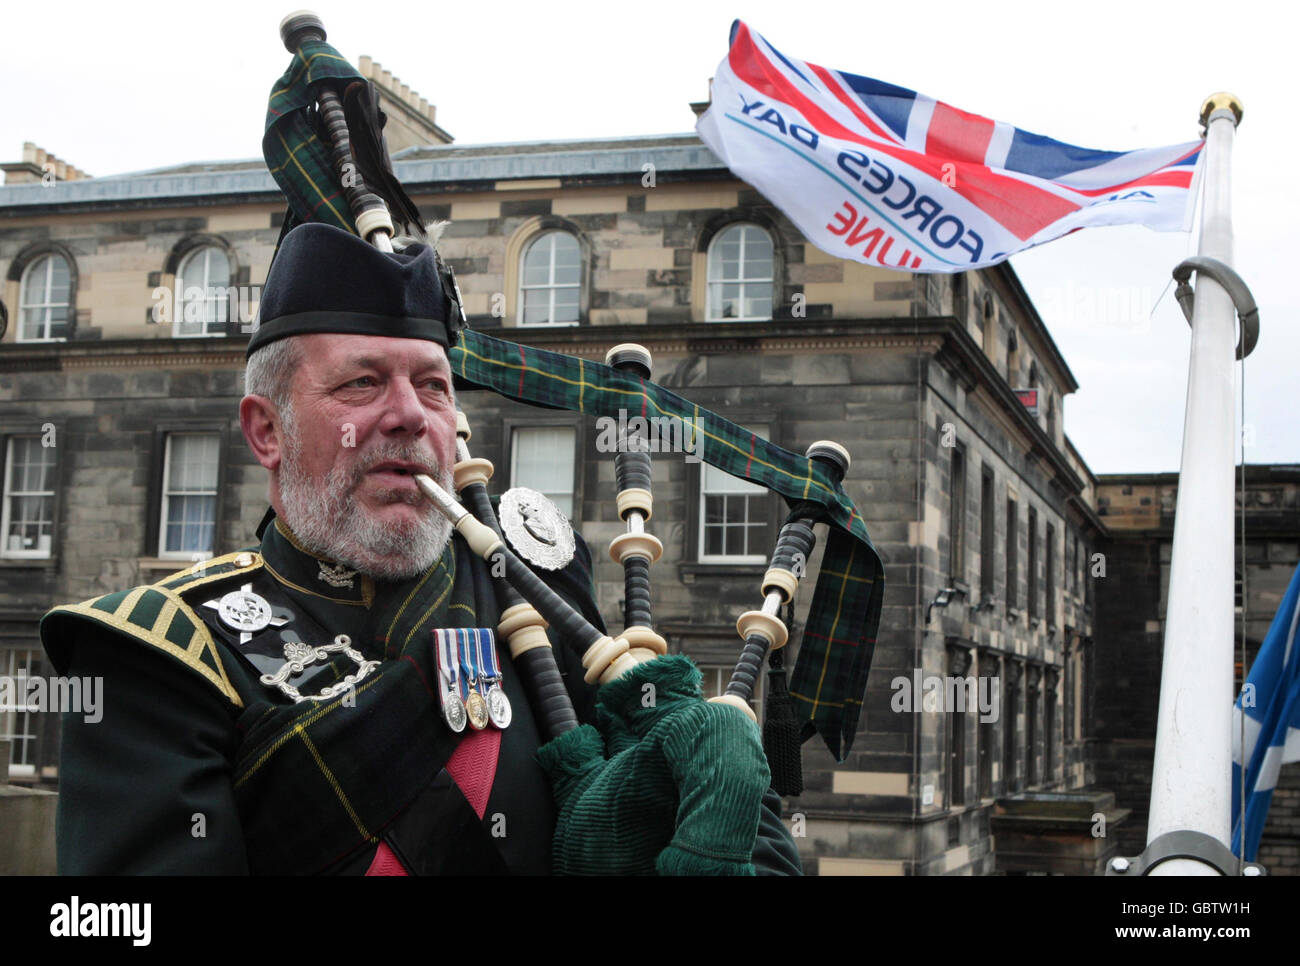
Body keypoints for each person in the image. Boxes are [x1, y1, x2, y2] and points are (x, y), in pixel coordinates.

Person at [41, 222, 801, 875]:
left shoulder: (528, 579)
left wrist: (710, 814)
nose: (409, 416)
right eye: (361, 384)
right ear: (266, 431)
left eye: (433, 387)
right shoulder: (163, 654)